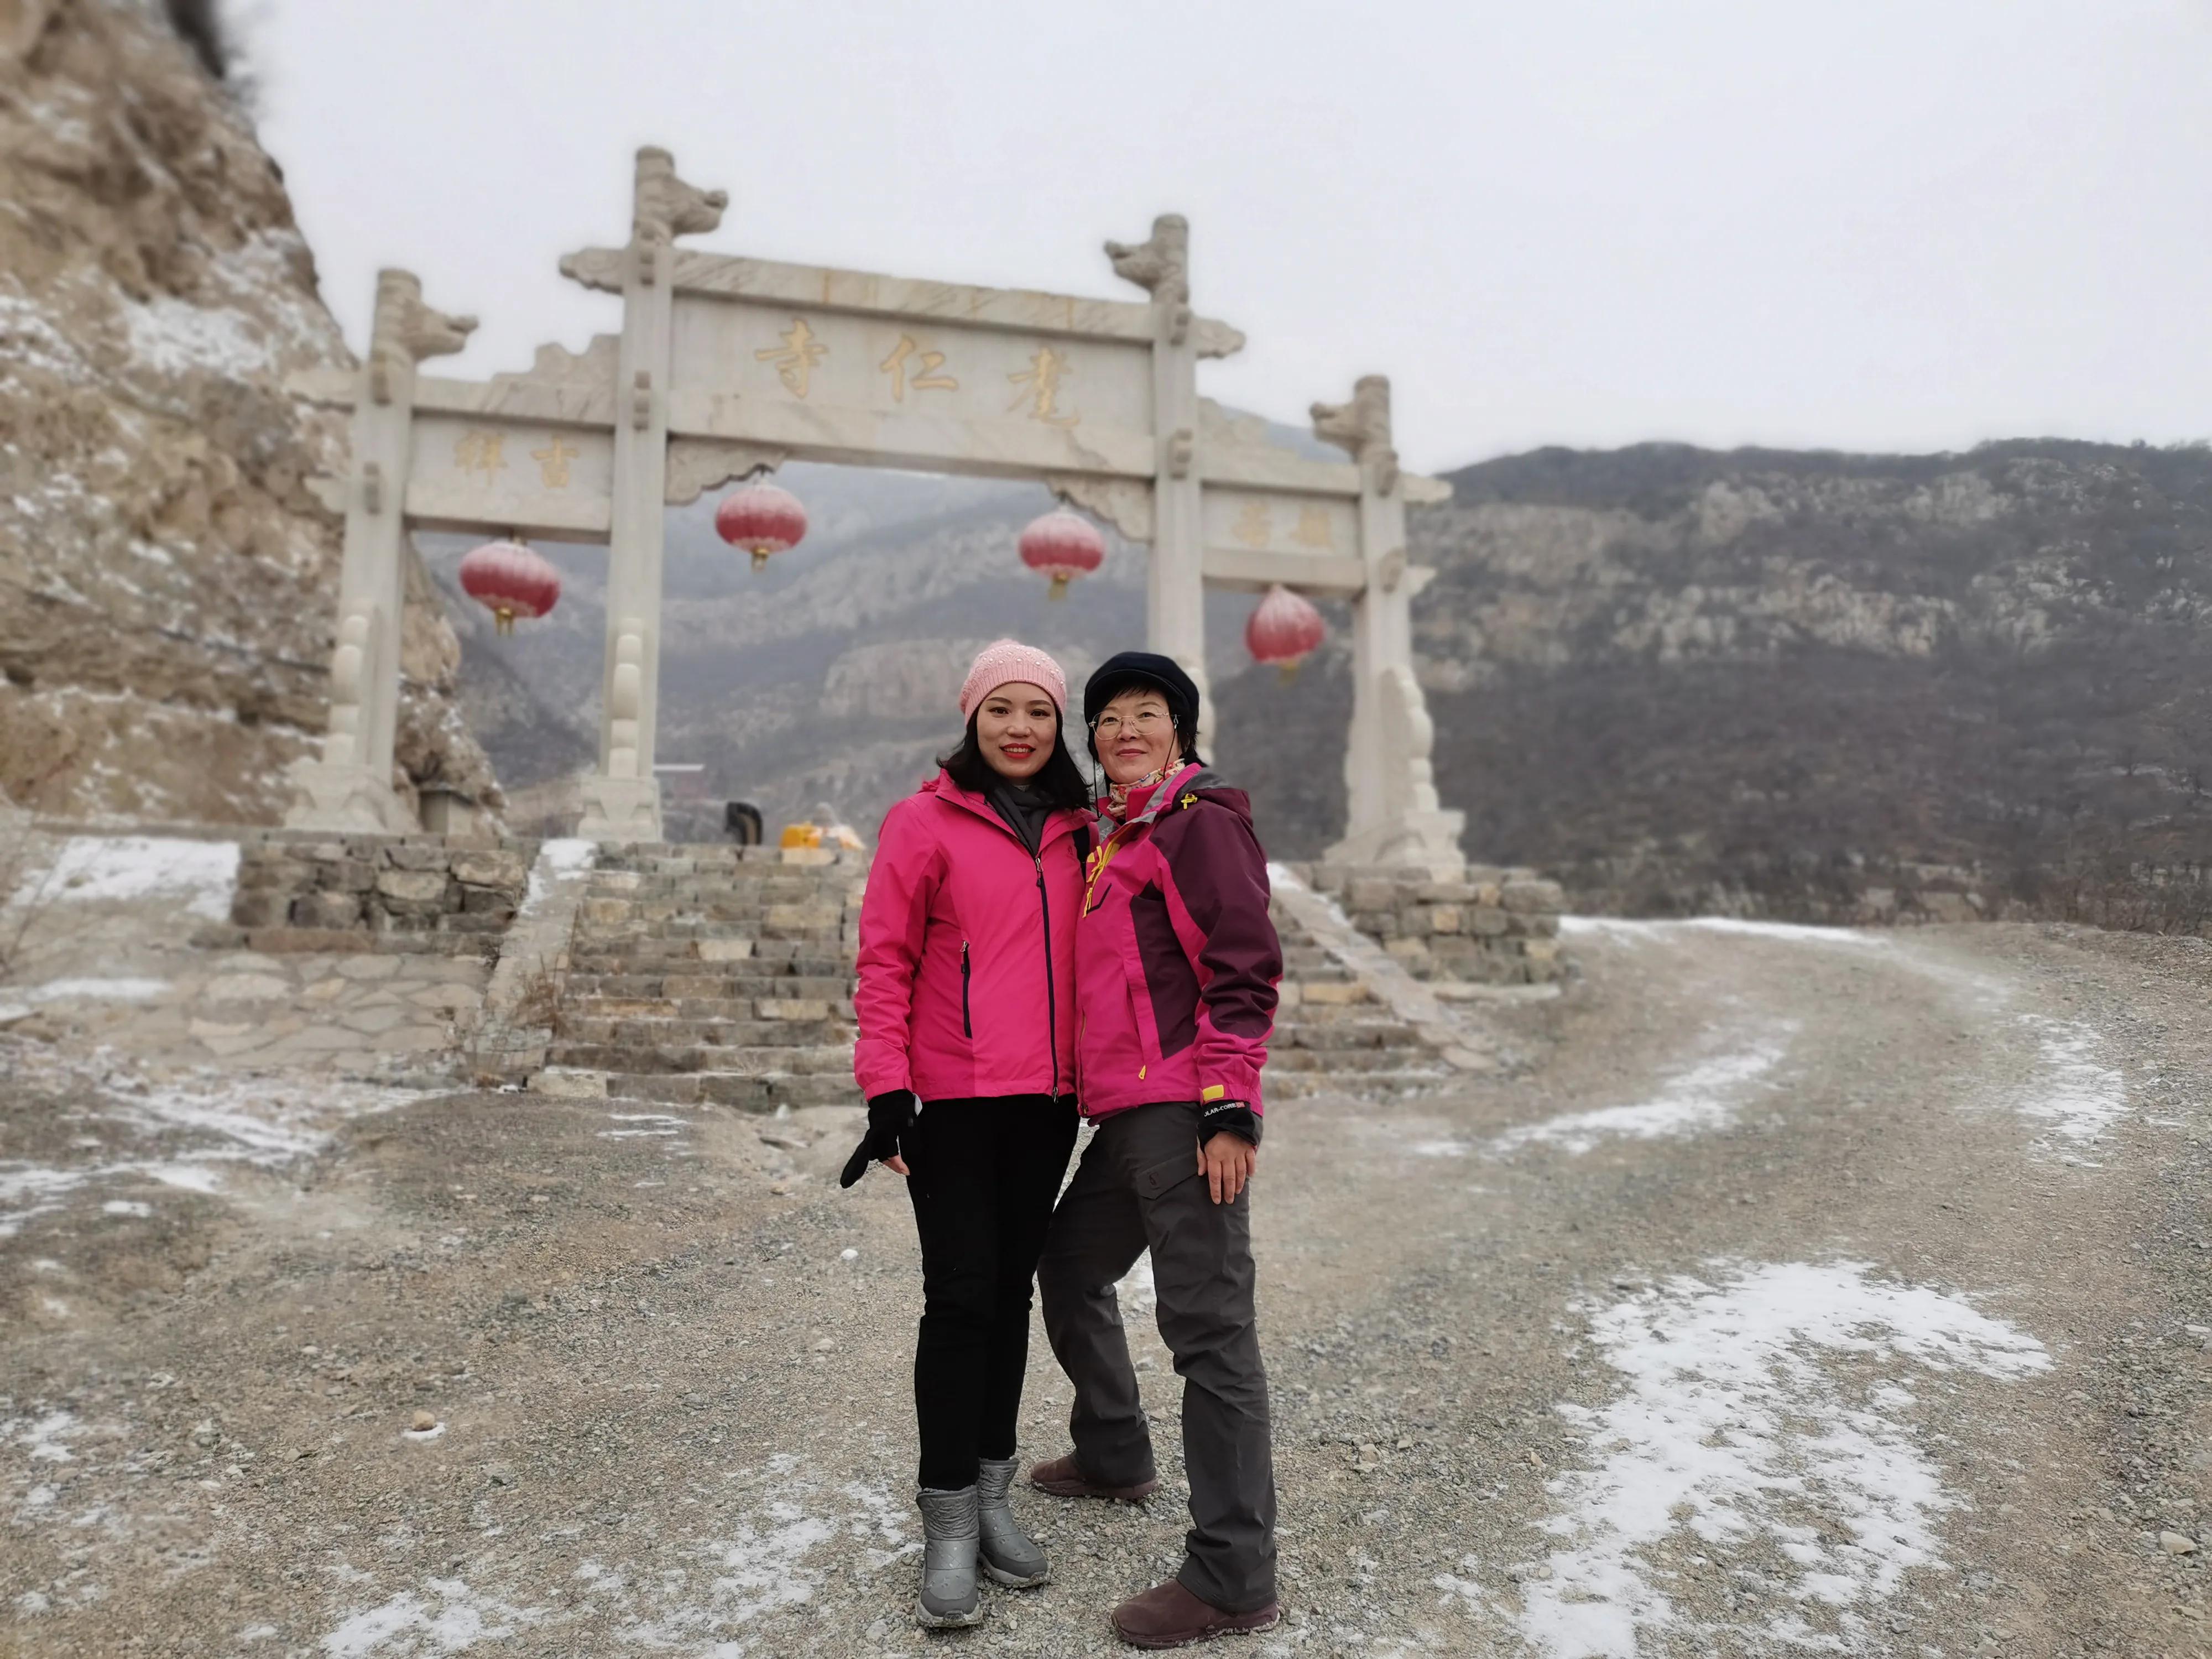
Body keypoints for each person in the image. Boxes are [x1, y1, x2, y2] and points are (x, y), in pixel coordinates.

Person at [1031, 651, 1285, 1650]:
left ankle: (1233, 1576)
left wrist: (1230, 1108)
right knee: (1069, 1265)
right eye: (1109, 719)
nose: (1125, 731)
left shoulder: (1198, 824)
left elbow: (1244, 968)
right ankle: (1114, 1452)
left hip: (1185, 1112)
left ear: (1179, 729)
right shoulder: (1111, 837)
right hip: (1127, 1115)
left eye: (1148, 714)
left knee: (1210, 1336)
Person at [841, 639, 1092, 1629]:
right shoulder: (923, 820)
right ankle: (947, 1517)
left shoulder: (1085, 829)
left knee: (1011, 1295)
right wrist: (885, 1090)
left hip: (1050, 1100)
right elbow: (885, 960)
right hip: (949, 1099)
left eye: (1037, 710)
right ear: (972, 719)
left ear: (1057, 721)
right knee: (960, 1300)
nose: (1020, 728)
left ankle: (993, 1497)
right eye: (1001, 710)